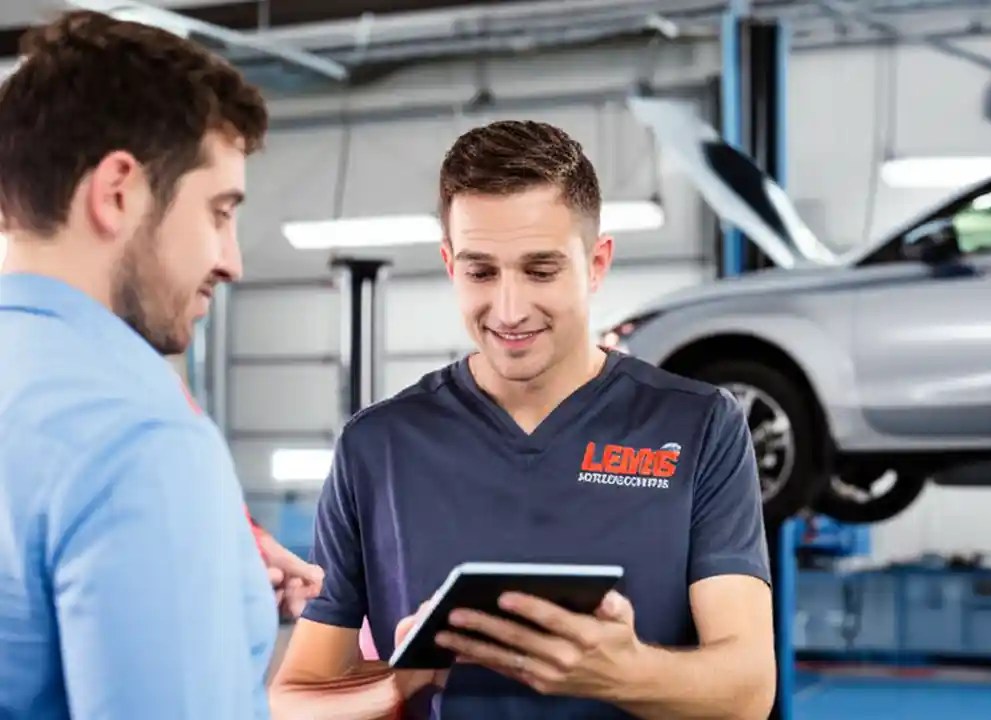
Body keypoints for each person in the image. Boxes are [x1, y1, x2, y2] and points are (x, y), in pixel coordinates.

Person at [270, 120, 777, 719]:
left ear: (596, 263)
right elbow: (294, 701)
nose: (509, 310)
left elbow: (748, 689)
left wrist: (619, 673)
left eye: (541, 270)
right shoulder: (377, 445)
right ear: (449, 263)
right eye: (481, 272)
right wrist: (398, 685)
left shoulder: (698, 426)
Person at [0, 10, 312, 718]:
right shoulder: (136, 436)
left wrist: (199, 566)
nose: (229, 261)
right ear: (118, 193)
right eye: (219, 212)